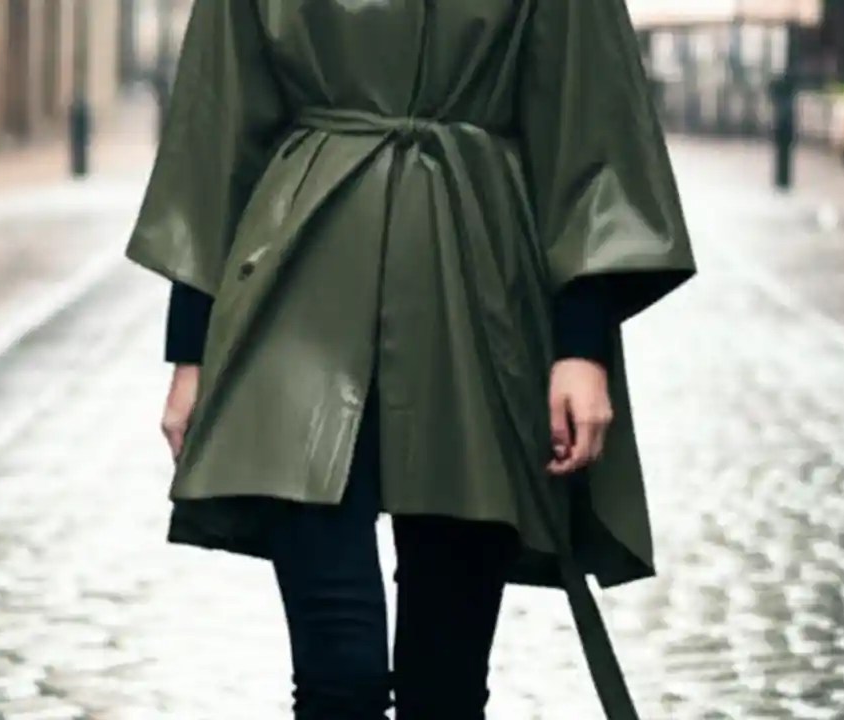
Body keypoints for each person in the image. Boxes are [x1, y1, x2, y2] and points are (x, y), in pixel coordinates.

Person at [125, 1, 698, 718]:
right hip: (295, 288)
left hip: (478, 288)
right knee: (340, 671)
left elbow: (589, 120)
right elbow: (216, 115)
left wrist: (581, 345)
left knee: (446, 682)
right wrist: (191, 349)